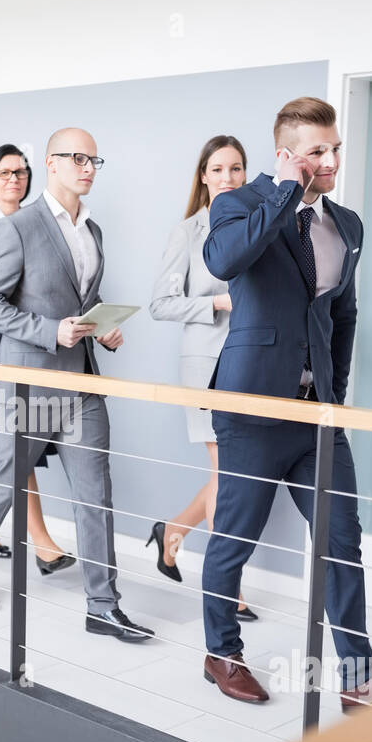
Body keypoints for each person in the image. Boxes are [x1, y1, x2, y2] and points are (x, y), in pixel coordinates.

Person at [200, 97, 372, 710]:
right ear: (286, 155)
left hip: (318, 415)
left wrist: (334, 396)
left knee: (343, 540)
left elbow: (343, 313)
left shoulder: (348, 225)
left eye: (334, 148)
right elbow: (224, 261)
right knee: (236, 538)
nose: (332, 159)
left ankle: (358, 674)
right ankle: (221, 653)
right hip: (253, 407)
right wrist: (285, 192)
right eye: (317, 151)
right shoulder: (238, 203)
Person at [0, 127, 153, 644]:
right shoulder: (19, 226)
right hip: (31, 386)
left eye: (94, 159)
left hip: (82, 383)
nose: (88, 167)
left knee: (96, 497)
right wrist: (49, 331)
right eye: (77, 158)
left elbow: (79, 297)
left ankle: (103, 606)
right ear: (51, 162)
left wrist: (99, 327)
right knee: (3, 480)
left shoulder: (94, 231)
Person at [148, 135, 257, 622]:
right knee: (229, 477)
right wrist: (218, 302)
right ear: (204, 176)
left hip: (253, 364)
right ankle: (226, 589)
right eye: (218, 169)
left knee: (230, 475)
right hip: (205, 365)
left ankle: (172, 531)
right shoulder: (187, 232)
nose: (228, 178)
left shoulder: (259, 229)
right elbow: (161, 304)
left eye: (236, 169)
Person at [0, 144, 72, 574]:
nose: (14, 180)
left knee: (5, 447)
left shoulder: (39, 224)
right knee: (5, 446)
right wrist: (11, 302)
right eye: (4, 173)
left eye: (21, 172)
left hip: (33, 343)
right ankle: (37, 542)